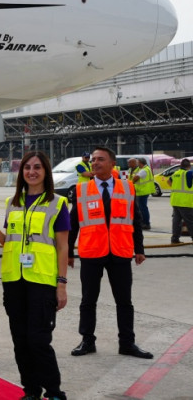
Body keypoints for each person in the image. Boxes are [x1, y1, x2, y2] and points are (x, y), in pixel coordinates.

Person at [0, 151, 70, 400]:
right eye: (27, 167)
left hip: (42, 281)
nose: (32, 172)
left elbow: (63, 247)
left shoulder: (58, 203)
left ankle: (54, 392)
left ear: (46, 172)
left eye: (37, 167)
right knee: (20, 341)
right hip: (14, 281)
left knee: (38, 341)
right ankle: (31, 391)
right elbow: (12, 242)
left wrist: (61, 284)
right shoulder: (13, 202)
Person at [68, 146, 153, 360]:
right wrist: (68, 251)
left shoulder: (127, 188)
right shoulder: (82, 189)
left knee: (124, 301)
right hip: (91, 252)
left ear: (112, 163)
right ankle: (87, 340)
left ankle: (127, 343)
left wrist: (139, 249)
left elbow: (135, 220)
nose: (95, 163)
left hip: (120, 252)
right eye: (93, 160)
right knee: (88, 300)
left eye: (100, 159)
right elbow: (73, 223)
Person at [170, 159, 193, 244]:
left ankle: (175, 239)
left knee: (176, 221)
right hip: (185, 202)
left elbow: (169, 182)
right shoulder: (189, 173)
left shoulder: (176, 174)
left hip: (175, 201)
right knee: (190, 221)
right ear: (188, 166)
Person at [130, 158, 154, 230]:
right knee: (142, 208)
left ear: (141, 163)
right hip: (142, 191)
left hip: (142, 192)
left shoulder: (144, 170)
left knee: (142, 208)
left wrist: (131, 183)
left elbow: (136, 177)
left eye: (138, 162)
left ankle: (146, 223)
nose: (137, 164)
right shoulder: (145, 169)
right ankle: (145, 222)